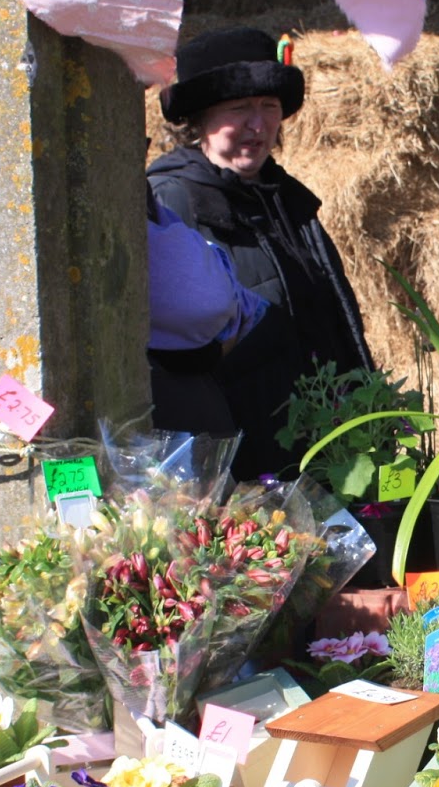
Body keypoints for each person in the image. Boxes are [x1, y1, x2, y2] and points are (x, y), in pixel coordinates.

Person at [148, 26, 373, 479]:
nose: (258, 124)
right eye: (239, 109)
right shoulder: (173, 201)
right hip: (239, 442)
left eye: (269, 107)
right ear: (201, 120)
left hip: (319, 436)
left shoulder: (286, 199)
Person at [145, 187, 268, 437]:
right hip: (172, 399)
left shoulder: (157, 211)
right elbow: (209, 304)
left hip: (194, 391)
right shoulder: (168, 191)